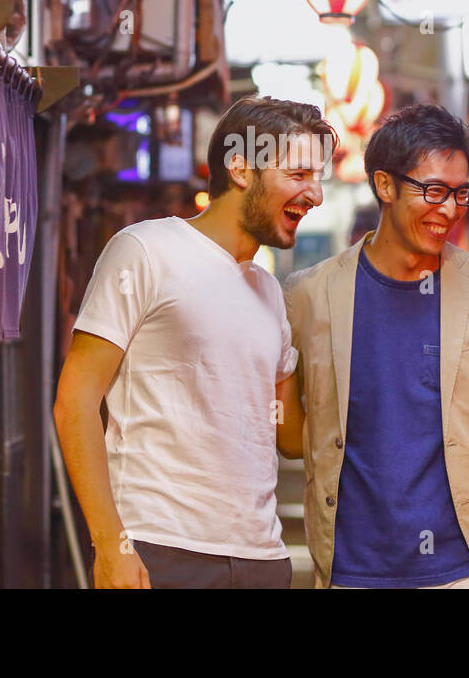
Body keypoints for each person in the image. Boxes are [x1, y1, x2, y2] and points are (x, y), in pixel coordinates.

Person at [283, 103, 469, 589]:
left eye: (460, 192)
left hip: (468, 571)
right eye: (433, 190)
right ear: (384, 185)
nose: (448, 208)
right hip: (351, 571)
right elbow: (288, 431)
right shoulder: (309, 295)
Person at [54, 96, 335, 588]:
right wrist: (111, 545)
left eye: (317, 179)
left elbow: (290, 436)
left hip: (260, 558)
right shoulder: (145, 250)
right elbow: (75, 403)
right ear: (241, 168)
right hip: (161, 548)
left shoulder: (269, 292)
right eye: (298, 175)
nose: (314, 195)